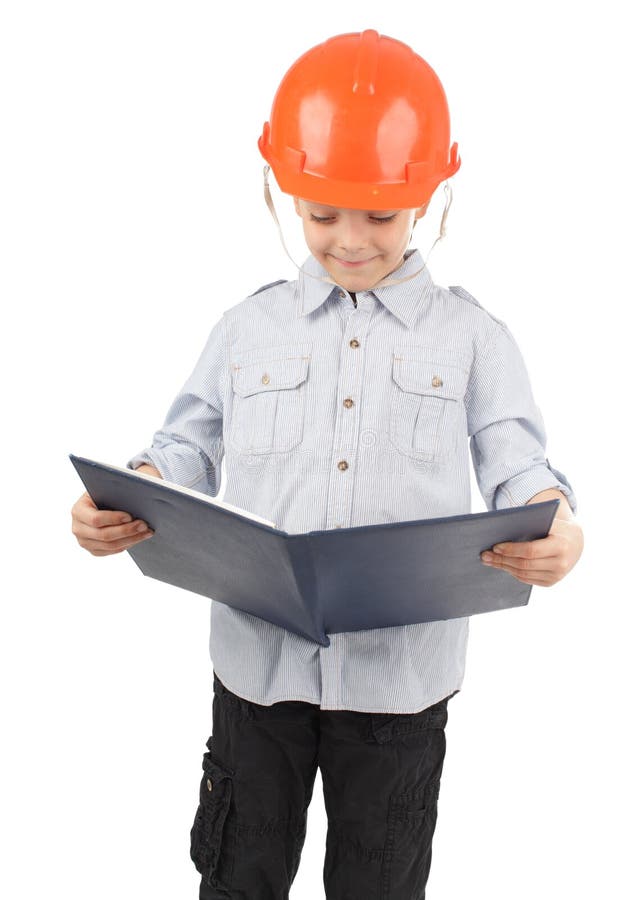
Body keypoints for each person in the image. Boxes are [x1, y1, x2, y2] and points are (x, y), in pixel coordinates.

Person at [71, 29, 584, 900]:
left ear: (428, 195)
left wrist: (555, 524)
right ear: (284, 192)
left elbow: (517, 465)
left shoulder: (472, 338)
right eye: (320, 213)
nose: (349, 239)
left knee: (378, 884)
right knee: (240, 874)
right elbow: (187, 446)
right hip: (257, 672)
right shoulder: (247, 327)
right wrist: (134, 496)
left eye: (379, 214)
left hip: (398, 683)